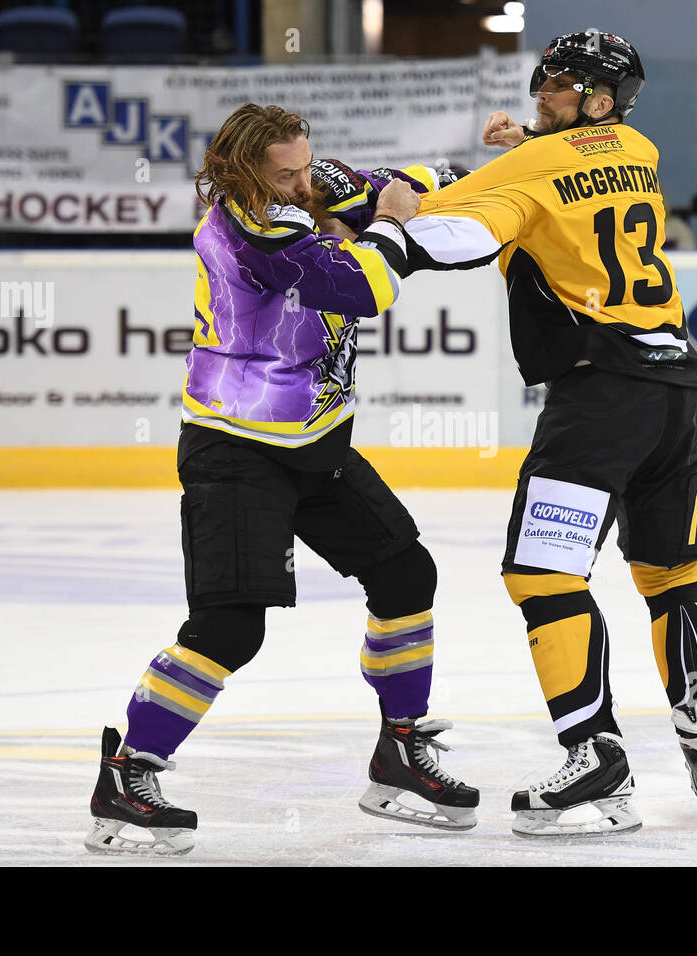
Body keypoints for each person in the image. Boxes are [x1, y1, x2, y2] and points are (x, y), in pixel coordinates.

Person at [85, 103, 479, 856]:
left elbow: (395, 184)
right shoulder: (249, 233)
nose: (306, 183)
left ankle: (400, 748)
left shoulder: (300, 193)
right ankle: (128, 774)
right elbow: (367, 286)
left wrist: (495, 173)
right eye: (288, 175)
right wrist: (393, 223)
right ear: (245, 174)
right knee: (232, 627)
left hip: (316, 444)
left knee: (404, 574)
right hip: (237, 450)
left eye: (307, 167)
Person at [406, 30, 697, 835]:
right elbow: (573, 168)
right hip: (675, 392)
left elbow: (457, 233)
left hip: (599, 401)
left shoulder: (534, 165)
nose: (538, 93)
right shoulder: (638, 145)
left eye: (556, 83)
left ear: (595, 96)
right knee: (674, 578)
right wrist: (526, 148)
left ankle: (596, 758)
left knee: (542, 576)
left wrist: (383, 219)